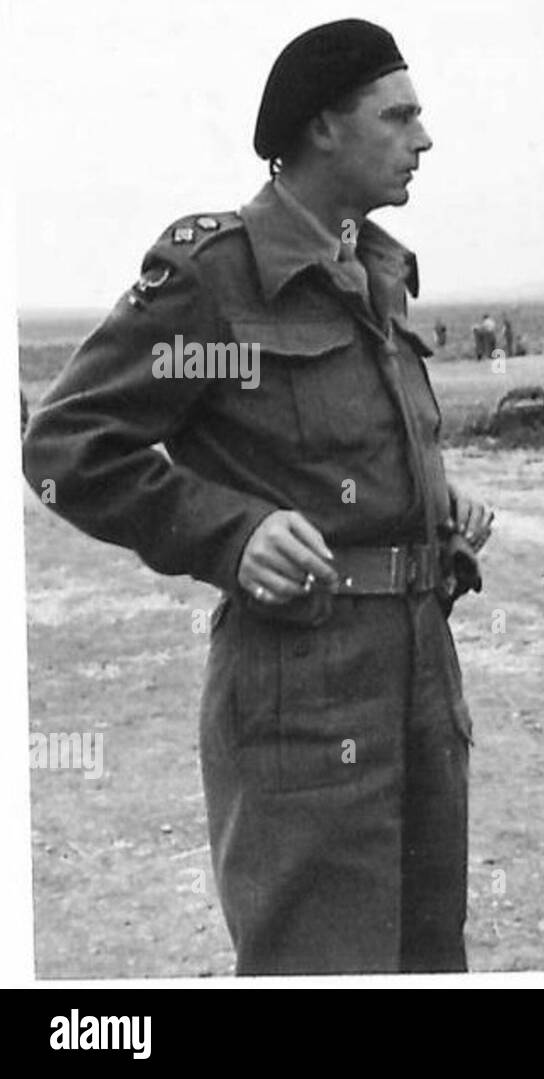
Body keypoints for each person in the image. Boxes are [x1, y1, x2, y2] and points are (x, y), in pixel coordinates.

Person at [23, 19, 493, 975]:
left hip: (418, 671)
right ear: (322, 127)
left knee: (427, 954)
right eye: (398, 115)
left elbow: (340, 451)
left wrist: (433, 496)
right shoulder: (218, 280)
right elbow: (67, 444)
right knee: (319, 960)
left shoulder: (380, 271)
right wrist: (230, 535)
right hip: (303, 692)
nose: (425, 138)